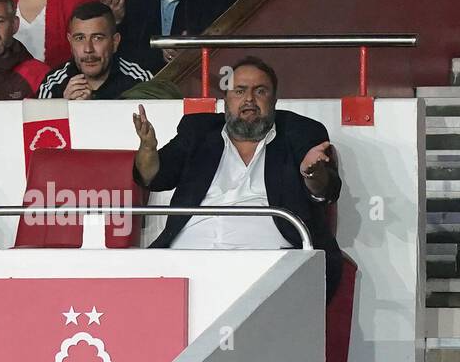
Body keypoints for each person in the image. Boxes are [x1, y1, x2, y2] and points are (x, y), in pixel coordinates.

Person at [132, 56, 343, 290]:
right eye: (239, 91)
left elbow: (327, 191)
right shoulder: (198, 132)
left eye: (260, 91)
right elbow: (152, 176)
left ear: (274, 99)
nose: (249, 100)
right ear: (226, 100)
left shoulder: (300, 133)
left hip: (267, 269)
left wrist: (313, 174)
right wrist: (148, 149)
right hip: (187, 262)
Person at [38, 1, 153, 101]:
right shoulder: (53, 84)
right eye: (80, 38)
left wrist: (92, 107)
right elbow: (39, 125)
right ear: (70, 42)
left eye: (97, 38)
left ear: (115, 42)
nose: (88, 49)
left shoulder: (140, 81)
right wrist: (64, 107)